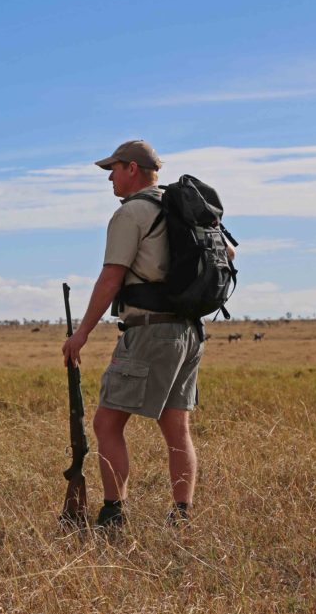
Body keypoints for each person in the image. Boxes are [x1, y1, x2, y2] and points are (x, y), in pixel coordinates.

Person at [61, 139, 231, 529]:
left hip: (151, 330)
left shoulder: (132, 213)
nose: (110, 176)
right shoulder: (188, 211)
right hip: (189, 332)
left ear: (132, 169)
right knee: (176, 428)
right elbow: (229, 256)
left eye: (114, 168)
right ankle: (181, 515)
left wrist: (81, 334)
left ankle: (113, 513)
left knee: (106, 424)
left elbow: (111, 277)